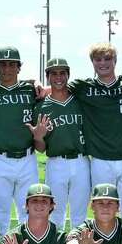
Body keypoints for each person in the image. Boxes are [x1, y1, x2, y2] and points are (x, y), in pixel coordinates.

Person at [70, 43, 122, 218]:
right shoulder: (83, 86)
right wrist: (35, 82)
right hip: (100, 159)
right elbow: (54, 88)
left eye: (107, 58)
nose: (103, 63)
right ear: (92, 62)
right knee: (103, 210)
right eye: (98, 59)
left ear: (115, 60)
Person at [0, 46, 41, 231]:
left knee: (30, 212)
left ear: (19, 67)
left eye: (11, 64)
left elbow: (49, 90)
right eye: (2, 64)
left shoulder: (30, 89)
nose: (7, 69)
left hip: (27, 158)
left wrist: (38, 82)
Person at [33, 57, 90, 228]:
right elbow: (40, 149)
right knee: (55, 214)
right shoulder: (41, 107)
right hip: (56, 162)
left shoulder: (80, 100)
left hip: (81, 160)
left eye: (62, 73)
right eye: (54, 73)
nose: (59, 77)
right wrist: (39, 137)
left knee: (80, 214)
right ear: (48, 77)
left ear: (68, 75)